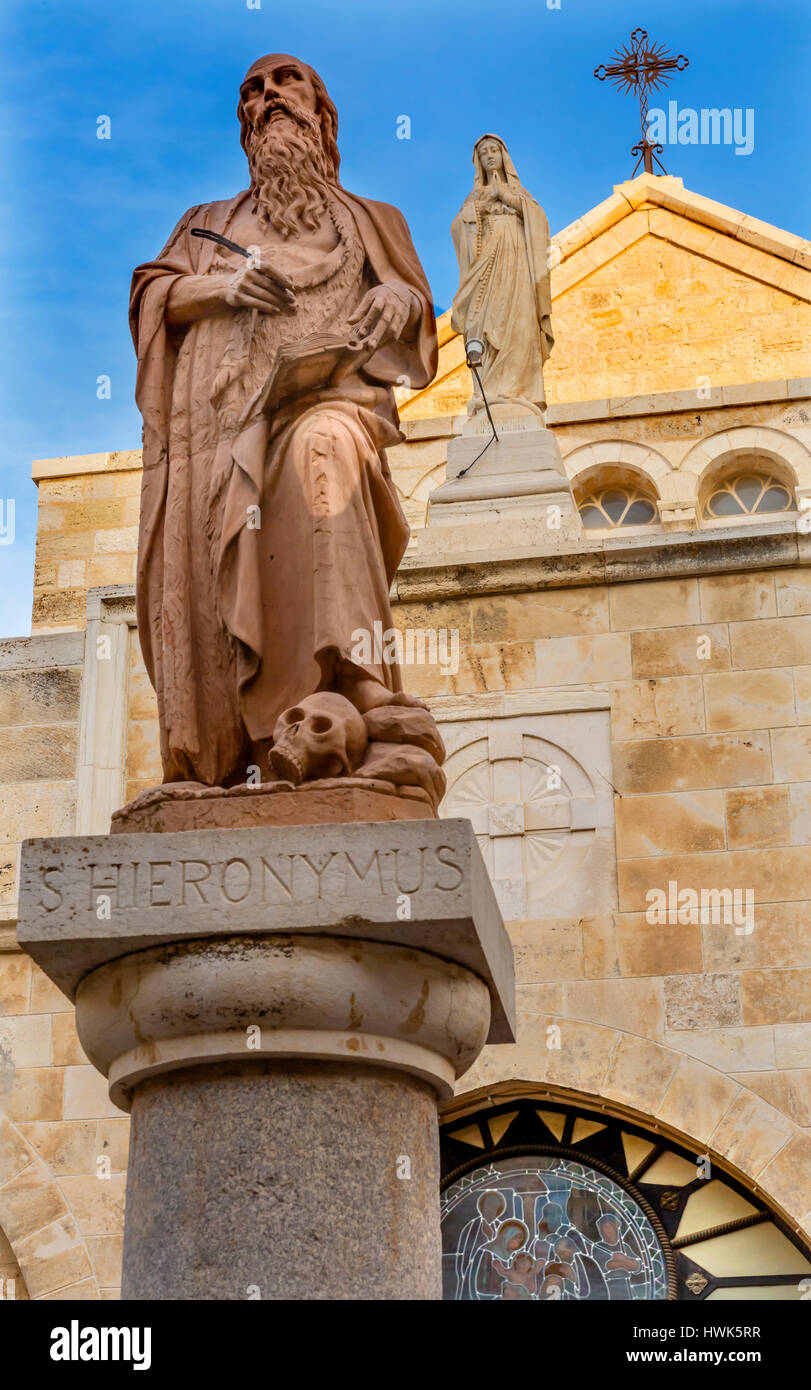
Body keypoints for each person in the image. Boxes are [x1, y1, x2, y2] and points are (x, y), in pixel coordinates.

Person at [130, 55, 436, 787]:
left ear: (320, 114)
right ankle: (231, 739)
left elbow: (418, 316)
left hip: (327, 401)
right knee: (217, 540)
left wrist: (398, 299)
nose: (267, 97)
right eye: (252, 91)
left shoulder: (373, 221)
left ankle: (355, 686)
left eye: (285, 83)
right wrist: (225, 285)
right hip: (222, 428)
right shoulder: (207, 226)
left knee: (324, 450)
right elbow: (154, 297)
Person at [451, 134, 554, 421]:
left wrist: (506, 198)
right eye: (484, 152)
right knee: (482, 323)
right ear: (478, 161)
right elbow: (459, 230)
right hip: (486, 268)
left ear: (504, 155)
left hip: (518, 263)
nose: (490, 156)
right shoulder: (473, 198)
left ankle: (519, 392)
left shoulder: (520, 193)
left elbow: (539, 223)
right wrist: (480, 209)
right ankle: (490, 391)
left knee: (520, 322)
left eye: (494, 150)